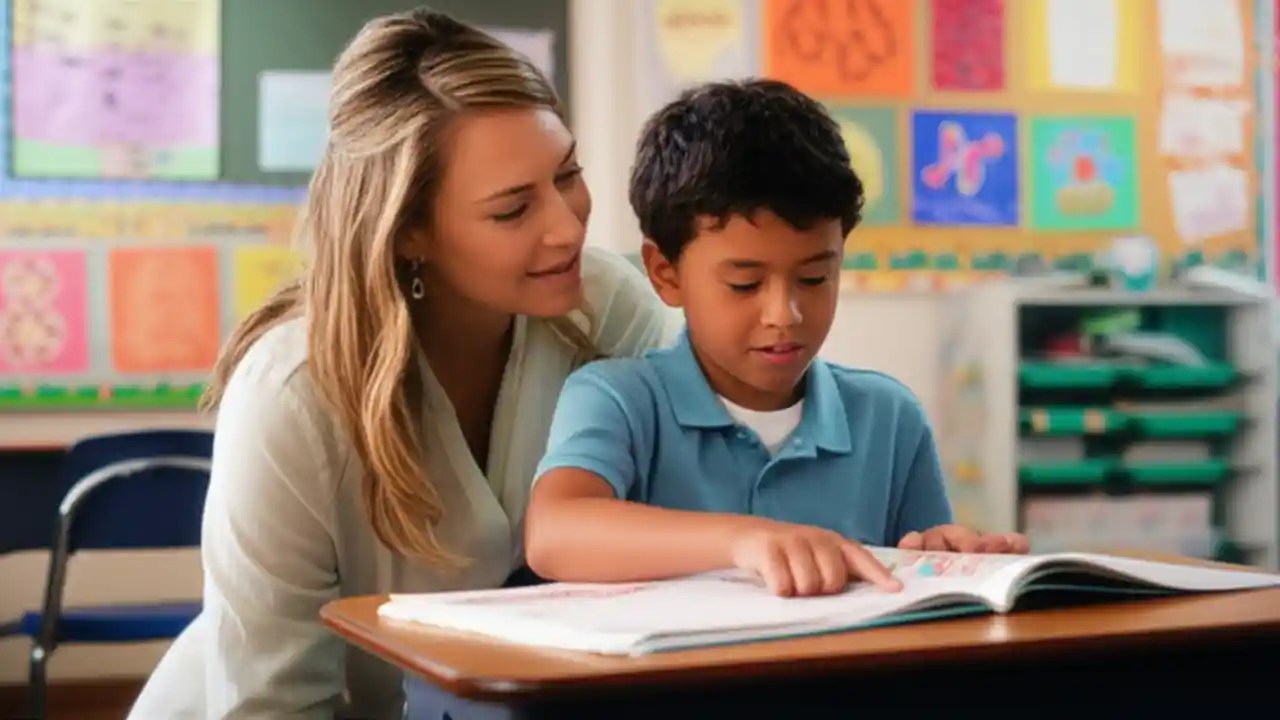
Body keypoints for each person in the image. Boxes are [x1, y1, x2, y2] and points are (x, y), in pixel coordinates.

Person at [127, 9, 676, 719]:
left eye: (567, 173)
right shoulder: (291, 396)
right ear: (408, 228)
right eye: (512, 210)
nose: (569, 227)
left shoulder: (607, 312)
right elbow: (271, 703)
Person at [524, 79, 1029, 599]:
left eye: (814, 278)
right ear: (666, 273)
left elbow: (916, 583)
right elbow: (555, 533)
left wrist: (942, 557)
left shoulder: (889, 417)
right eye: (744, 284)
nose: (784, 315)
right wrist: (743, 539)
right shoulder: (619, 399)